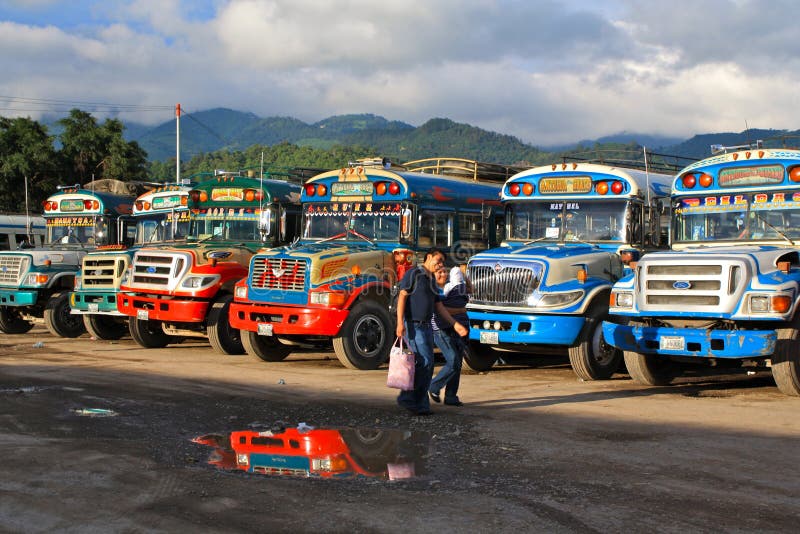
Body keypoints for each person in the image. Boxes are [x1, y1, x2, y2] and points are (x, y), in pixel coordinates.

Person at [395, 248, 468, 416]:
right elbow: (402, 296)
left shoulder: (431, 281)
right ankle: (414, 402)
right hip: (413, 325)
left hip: (427, 326)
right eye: (439, 260)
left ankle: (415, 403)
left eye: (443, 262)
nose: (441, 264)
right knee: (425, 362)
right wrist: (400, 323)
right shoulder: (414, 274)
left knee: (425, 366)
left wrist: (455, 324)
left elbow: (439, 306)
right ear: (429, 257)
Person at [429, 265, 470, 406]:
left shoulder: (450, 287)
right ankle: (434, 386)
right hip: (441, 330)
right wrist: (461, 309)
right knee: (453, 361)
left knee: (457, 362)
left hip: (454, 329)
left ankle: (451, 396)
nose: (443, 274)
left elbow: (469, 291)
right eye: (439, 272)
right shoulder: (435, 290)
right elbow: (441, 310)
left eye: (444, 271)